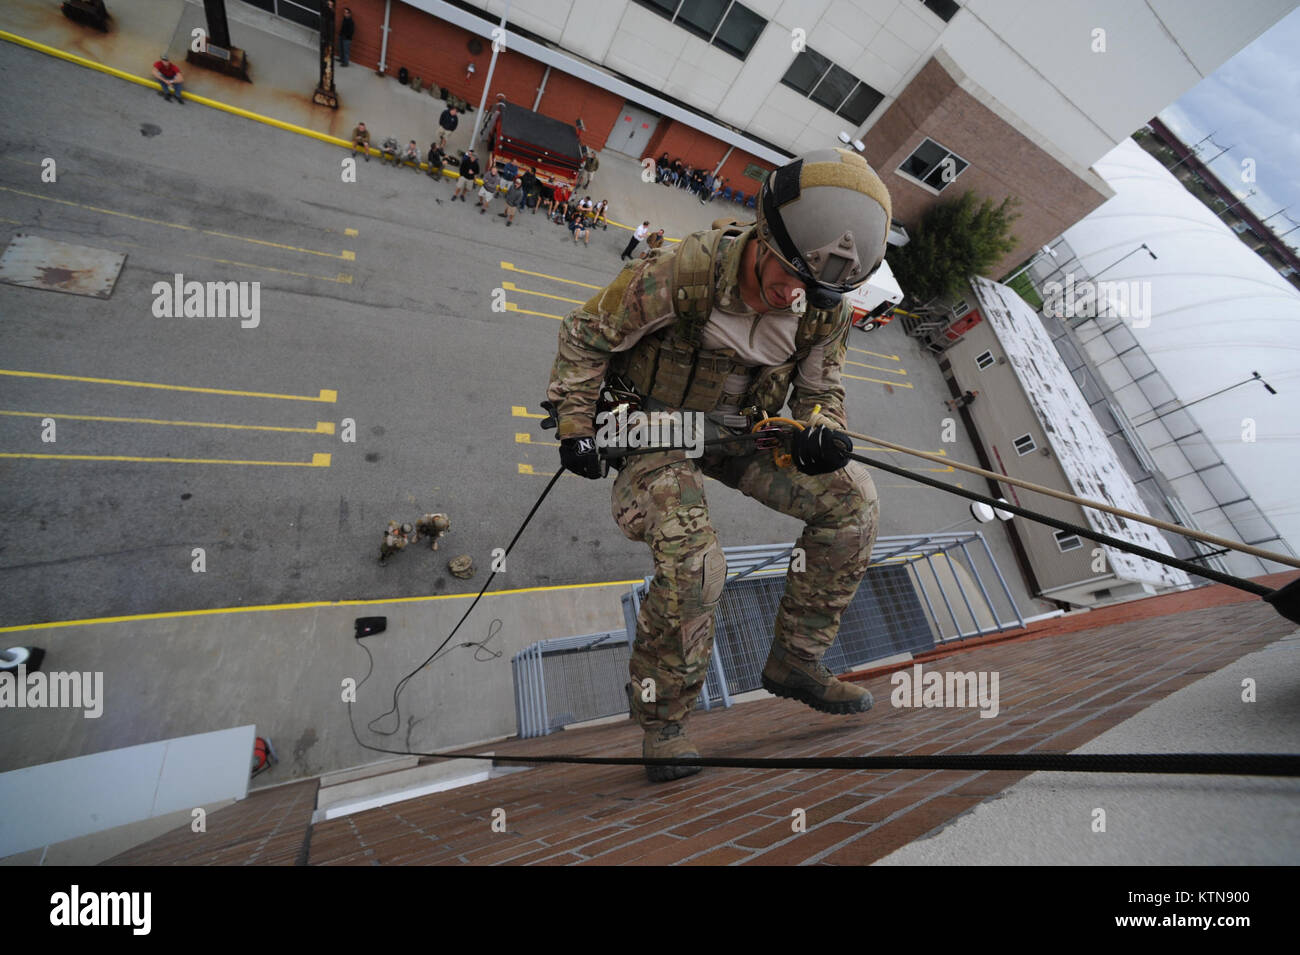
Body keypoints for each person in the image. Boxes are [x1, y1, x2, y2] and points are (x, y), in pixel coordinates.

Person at [545, 147, 892, 782]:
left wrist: (821, 431)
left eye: (809, 288)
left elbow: (821, 392)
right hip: (655, 433)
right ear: (762, 237)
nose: (792, 294)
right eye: (785, 274)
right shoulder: (685, 274)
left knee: (854, 502)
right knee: (695, 563)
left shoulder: (822, 306)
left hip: (743, 433)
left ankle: (797, 659)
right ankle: (665, 723)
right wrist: (575, 426)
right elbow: (585, 333)